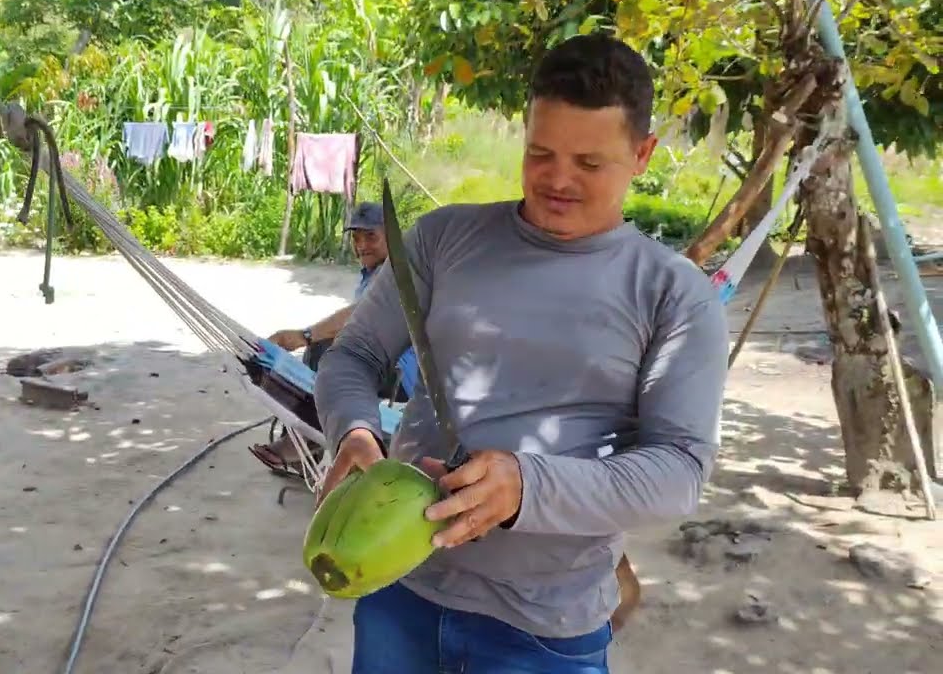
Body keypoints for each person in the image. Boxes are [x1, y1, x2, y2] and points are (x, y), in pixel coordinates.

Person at [313, 33, 729, 673]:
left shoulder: (673, 295)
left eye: (589, 164)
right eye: (540, 153)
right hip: (400, 587)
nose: (558, 180)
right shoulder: (444, 238)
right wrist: (357, 430)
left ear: (642, 154)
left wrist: (527, 487)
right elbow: (355, 355)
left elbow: (679, 471)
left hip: (545, 626)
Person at [248, 202, 419, 476]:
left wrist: (304, 335)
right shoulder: (372, 273)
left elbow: (361, 315)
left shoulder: (398, 271)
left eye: (371, 236)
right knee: (322, 352)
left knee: (326, 354)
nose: (362, 245)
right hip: (377, 363)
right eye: (356, 237)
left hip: (401, 376)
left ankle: (306, 441)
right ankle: (305, 437)